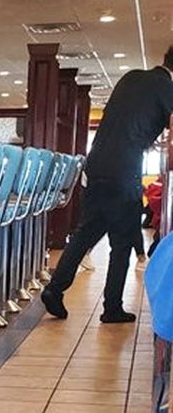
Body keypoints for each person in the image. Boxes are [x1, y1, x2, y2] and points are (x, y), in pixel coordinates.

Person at [42, 48, 173, 323]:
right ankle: (112, 307)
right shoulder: (166, 87)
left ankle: (54, 289)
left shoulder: (131, 77)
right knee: (122, 242)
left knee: (84, 234)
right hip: (124, 169)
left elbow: (126, 122)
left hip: (97, 165)